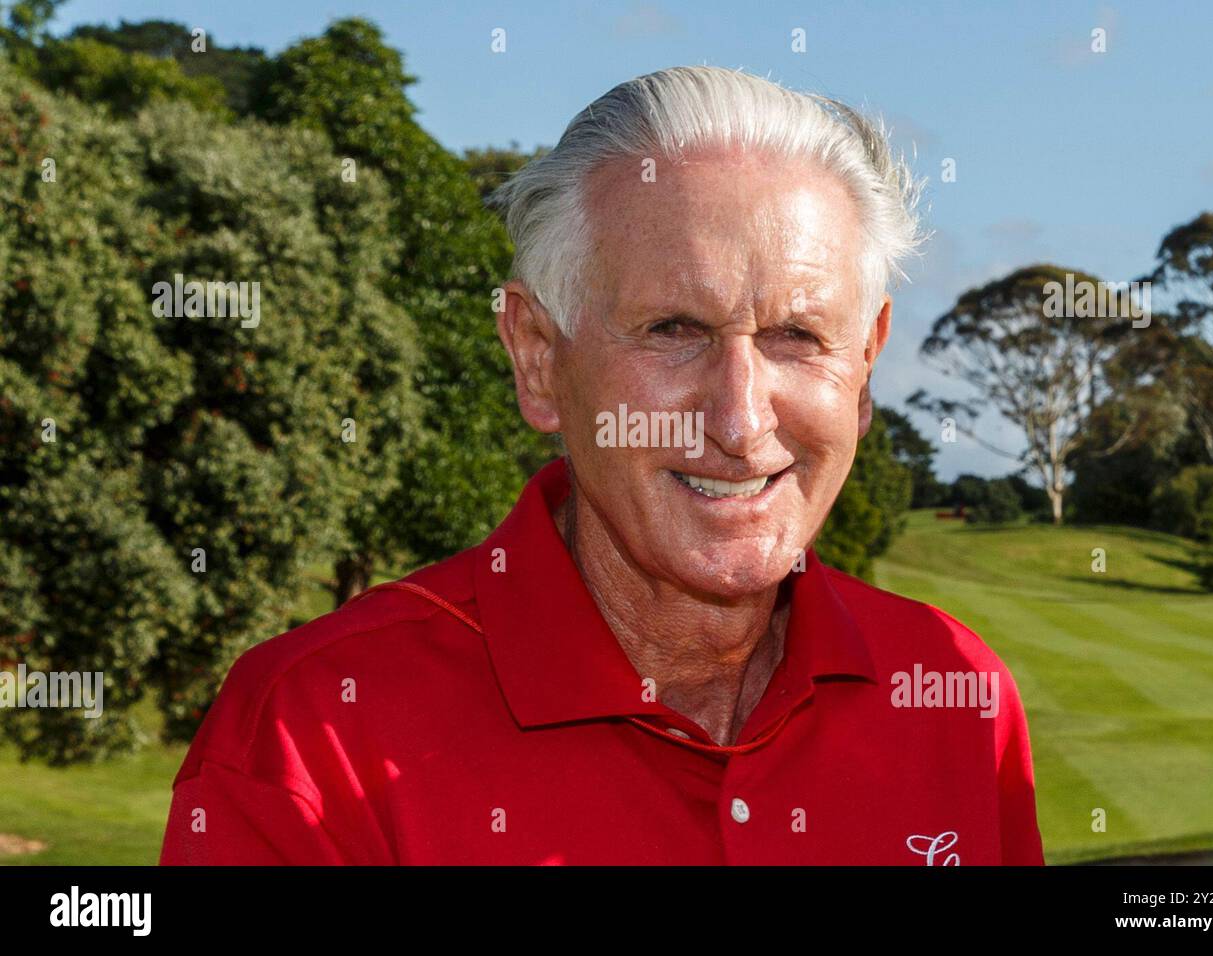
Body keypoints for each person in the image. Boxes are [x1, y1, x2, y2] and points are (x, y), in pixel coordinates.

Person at [160, 65, 1045, 865]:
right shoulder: (306, 737)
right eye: (673, 331)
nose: (740, 421)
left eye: (797, 336)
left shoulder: (956, 693)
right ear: (539, 358)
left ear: (865, 363)